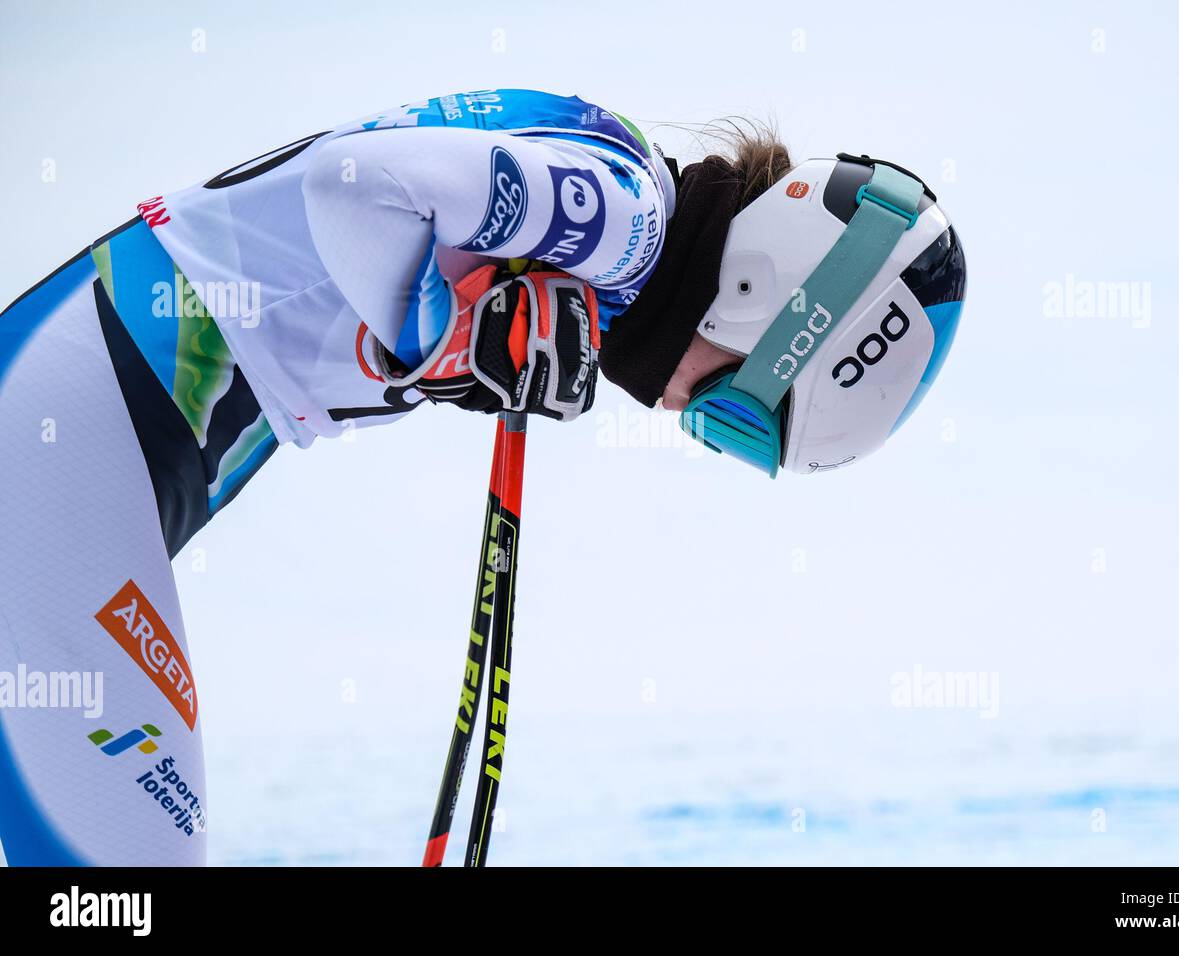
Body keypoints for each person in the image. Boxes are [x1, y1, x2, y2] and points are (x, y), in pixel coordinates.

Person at [0, 88, 966, 865]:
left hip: (94, 427)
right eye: (743, 420)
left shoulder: (609, 237)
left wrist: (470, 325)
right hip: (70, 432)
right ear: (763, 294)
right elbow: (351, 183)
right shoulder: (624, 220)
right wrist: (451, 333)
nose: (695, 429)